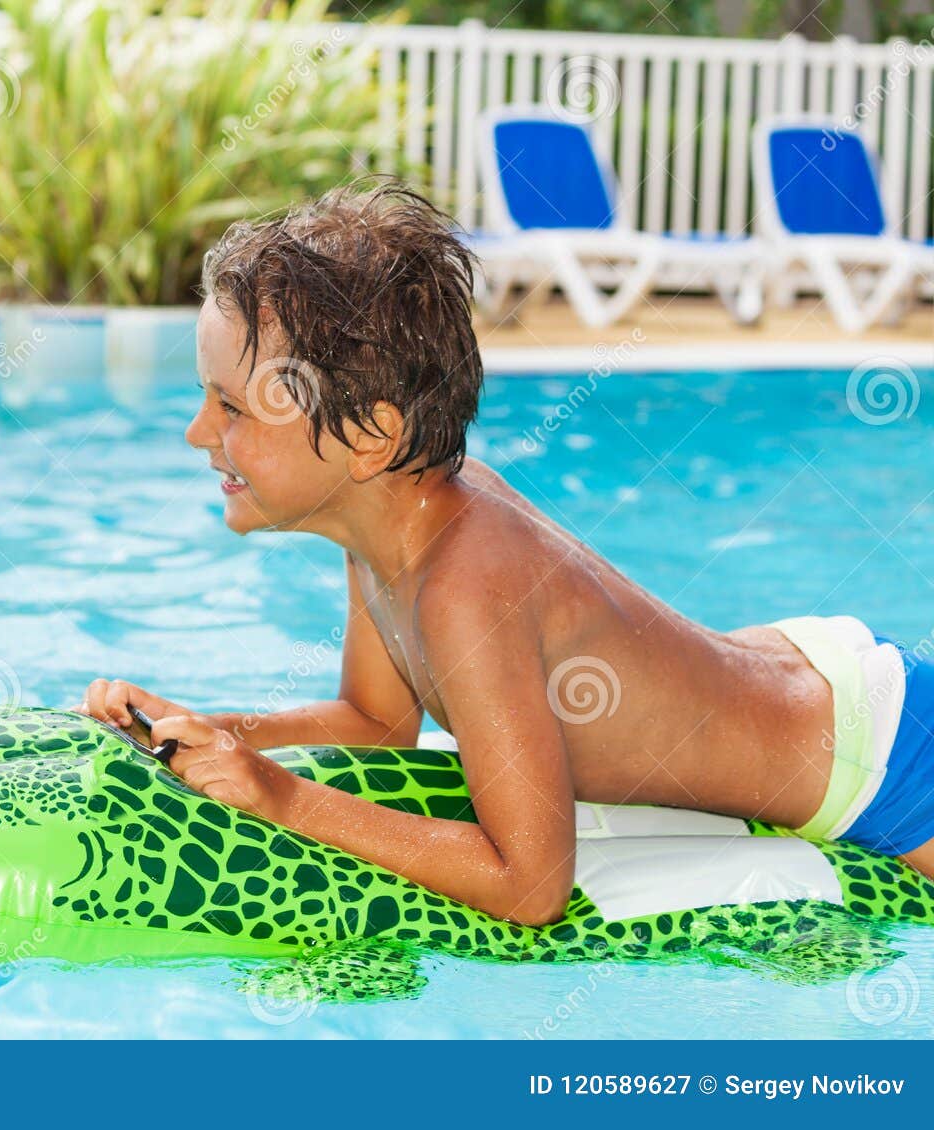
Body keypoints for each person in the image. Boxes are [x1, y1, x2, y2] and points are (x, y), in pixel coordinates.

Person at [76, 179, 934, 924]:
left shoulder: (462, 588)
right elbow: (378, 725)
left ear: (370, 438)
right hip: (815, 679)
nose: (198, 433)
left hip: (880, 758)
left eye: (233, 408)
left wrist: (280, 796)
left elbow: (530, 885)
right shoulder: (388, 525)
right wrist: (211, 733)